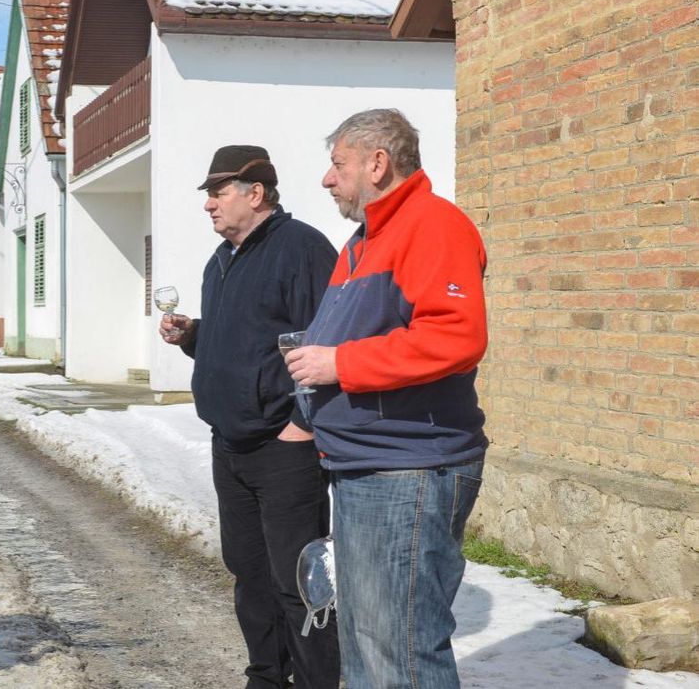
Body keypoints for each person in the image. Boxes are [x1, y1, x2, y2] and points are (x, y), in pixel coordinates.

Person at [286, 109, 488, 689]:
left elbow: (455, 337)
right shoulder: (364, 241)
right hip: (369, 466)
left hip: (408, 469)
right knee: (367, 647)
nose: (328, 179)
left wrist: (339, 364)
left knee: (398, 653)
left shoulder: (432, 225)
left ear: (378, 163)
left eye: (338, 164)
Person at [161, 145, 340, 689]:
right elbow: (245, 344)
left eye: (218, 193)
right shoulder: (221, 260)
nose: (208, 205)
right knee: (250, 575)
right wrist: (193, 335)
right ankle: (266, 677)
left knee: (299, 582)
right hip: (231, 445)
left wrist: (302, 425)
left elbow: (327, 343)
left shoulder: (302, 249)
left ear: (255, 193)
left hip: (285, 448)